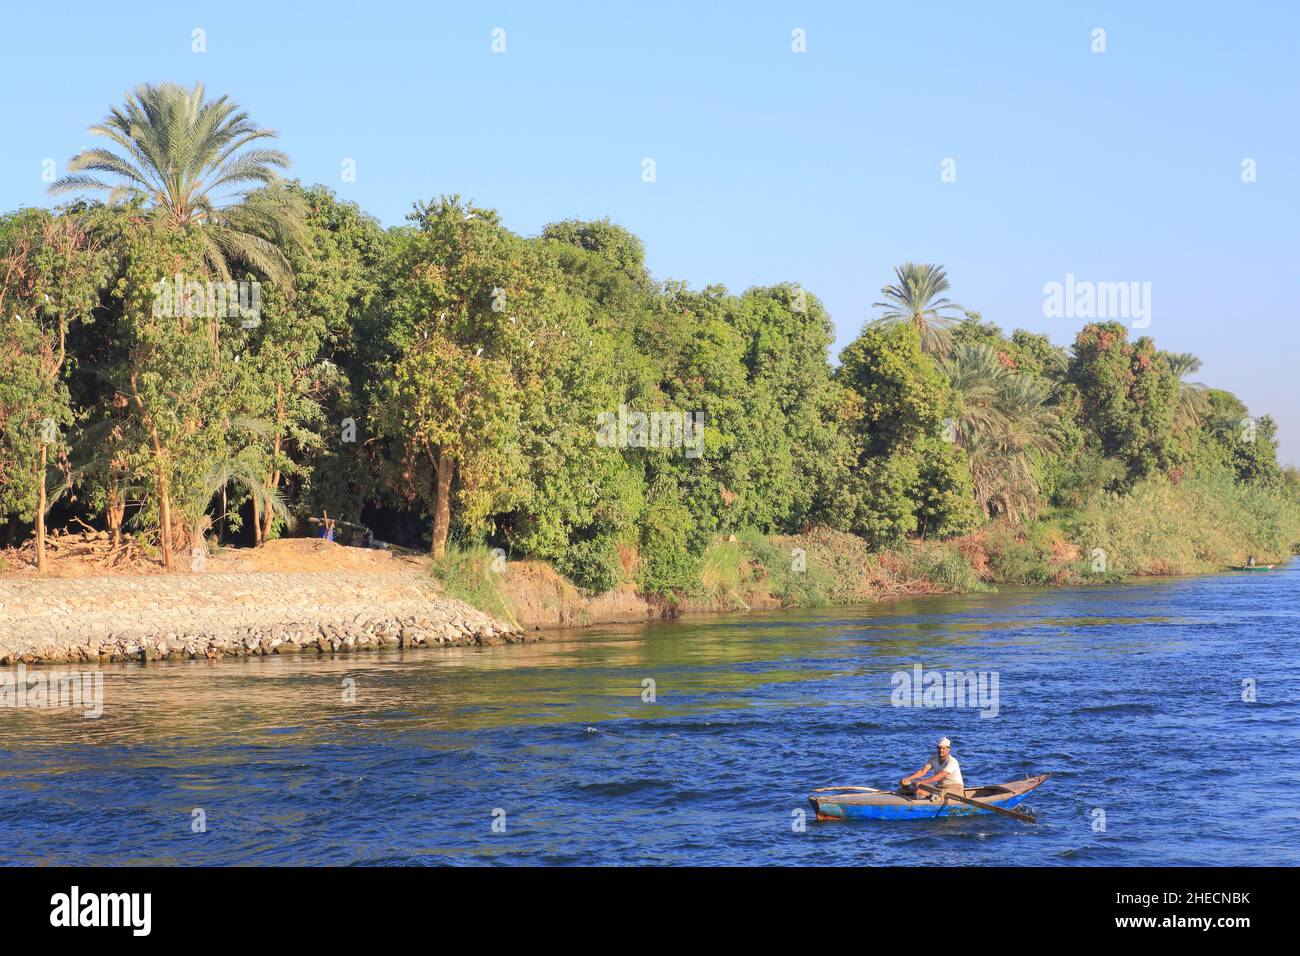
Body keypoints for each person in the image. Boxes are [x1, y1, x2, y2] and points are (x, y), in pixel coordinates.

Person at [899, 736, 965, 803]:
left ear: (948, 749)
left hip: (955, 788)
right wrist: (908, 779)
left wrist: (922, 782)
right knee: (919, 792)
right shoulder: (934, 759)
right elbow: (922, 771)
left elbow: (938, 777)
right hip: (940, 787)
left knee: (935, 796)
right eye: (939, 748)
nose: (941, 750)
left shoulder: (952, 761)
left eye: (943, 748)